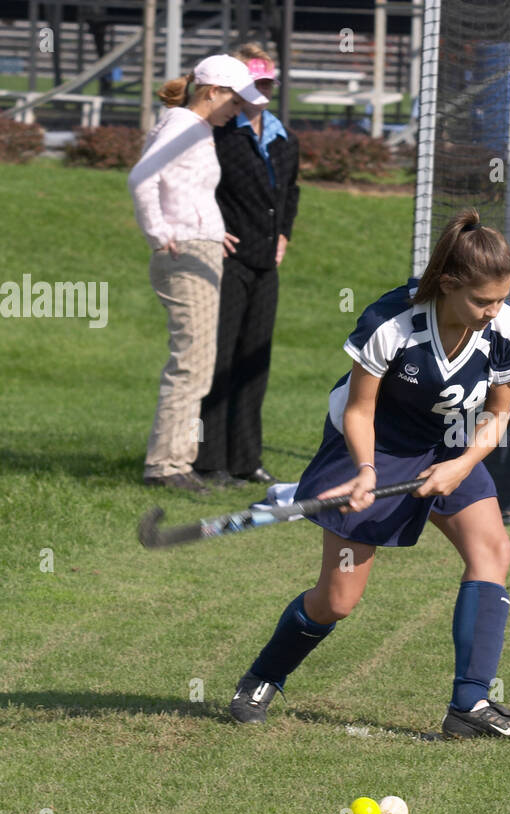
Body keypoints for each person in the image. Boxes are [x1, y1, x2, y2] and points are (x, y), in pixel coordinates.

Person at [229, 209, 510, 742]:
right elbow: (359, 410)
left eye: (501, 299)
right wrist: (365, 471)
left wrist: (462, 465)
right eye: (482, 301)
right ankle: (262, 677)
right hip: (375, 440)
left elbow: (498, 416)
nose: (494, 312)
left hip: (448, 442)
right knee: (338, 600)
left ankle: (469, 707)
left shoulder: (508, 329)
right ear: (447, 285)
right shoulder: (391, 323)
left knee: (492, 552)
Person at [128, 55, 268, 492]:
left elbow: (186, 191)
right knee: (191, 363)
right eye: (235, 100)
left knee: (199, 363)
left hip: (202, 248)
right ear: (212, 92)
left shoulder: (199, 130)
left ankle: (176, 462)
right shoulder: (181, 125)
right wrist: (159, 234)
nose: (239, 109)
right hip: (184, 255)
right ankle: (166, 466)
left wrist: (214, 231)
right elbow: (141, 179)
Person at [193, 44, 301, 489]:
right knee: (218, 358)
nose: (260, 91)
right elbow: (197, 185)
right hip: (226, 260)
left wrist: (284, 234)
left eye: (267, 83)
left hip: (264, 264)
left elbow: (290, 192)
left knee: (255, 359)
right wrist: (211, 229)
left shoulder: (283, 137)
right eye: (252, 83)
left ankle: (246, 459)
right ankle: (208, 460)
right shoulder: (217, 134)